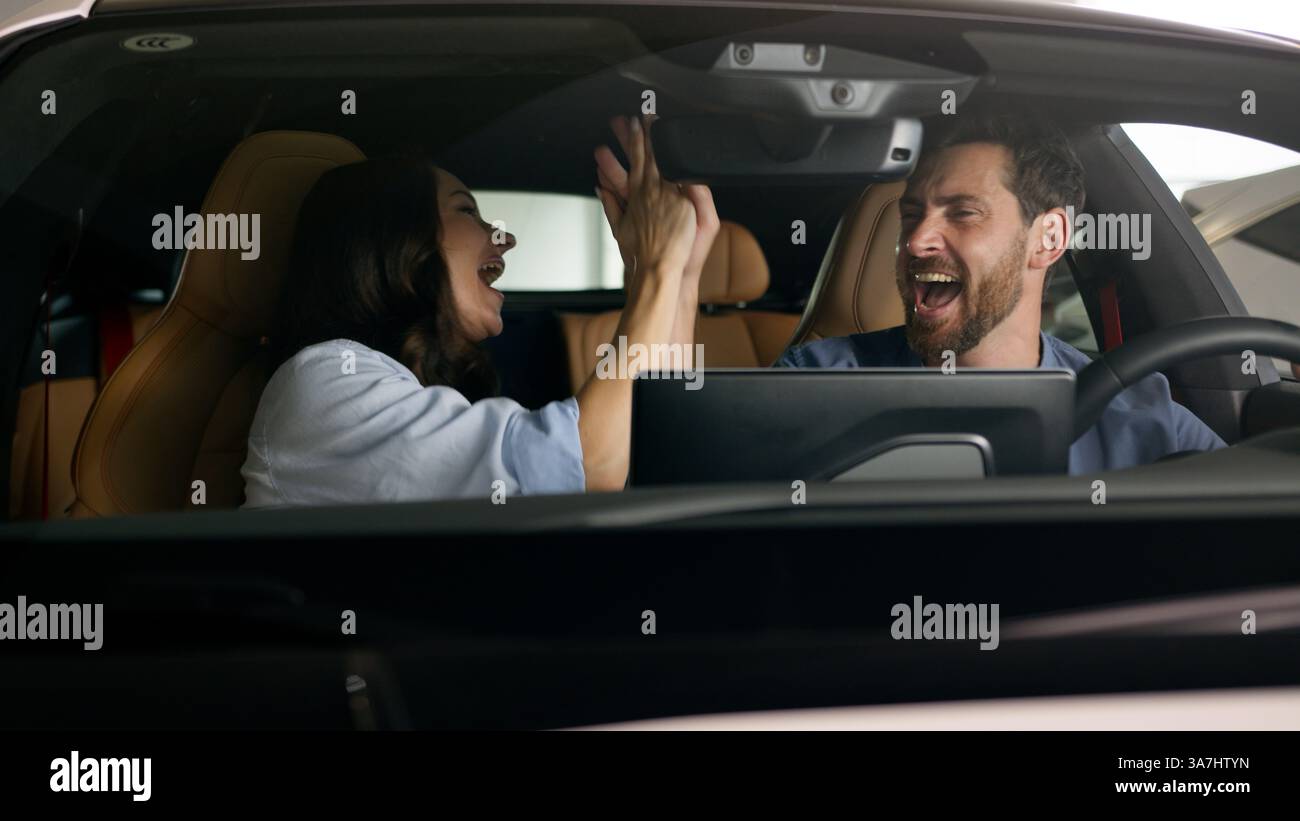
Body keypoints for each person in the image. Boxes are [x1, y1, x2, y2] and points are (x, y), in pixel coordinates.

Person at [241, 115, 718, 507]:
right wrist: (658, 268)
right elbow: (583, 465)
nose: (505, 238)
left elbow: (654, 445)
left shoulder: (405, 391)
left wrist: (680, 277)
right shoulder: (321, 383)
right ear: (397, 243)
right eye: (467, 211)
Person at [775, 114, 1226, 474]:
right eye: (912, 215)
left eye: (963, 213)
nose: (915, 241)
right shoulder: (817, 381)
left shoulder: (1139, 417)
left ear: (1048, 238)